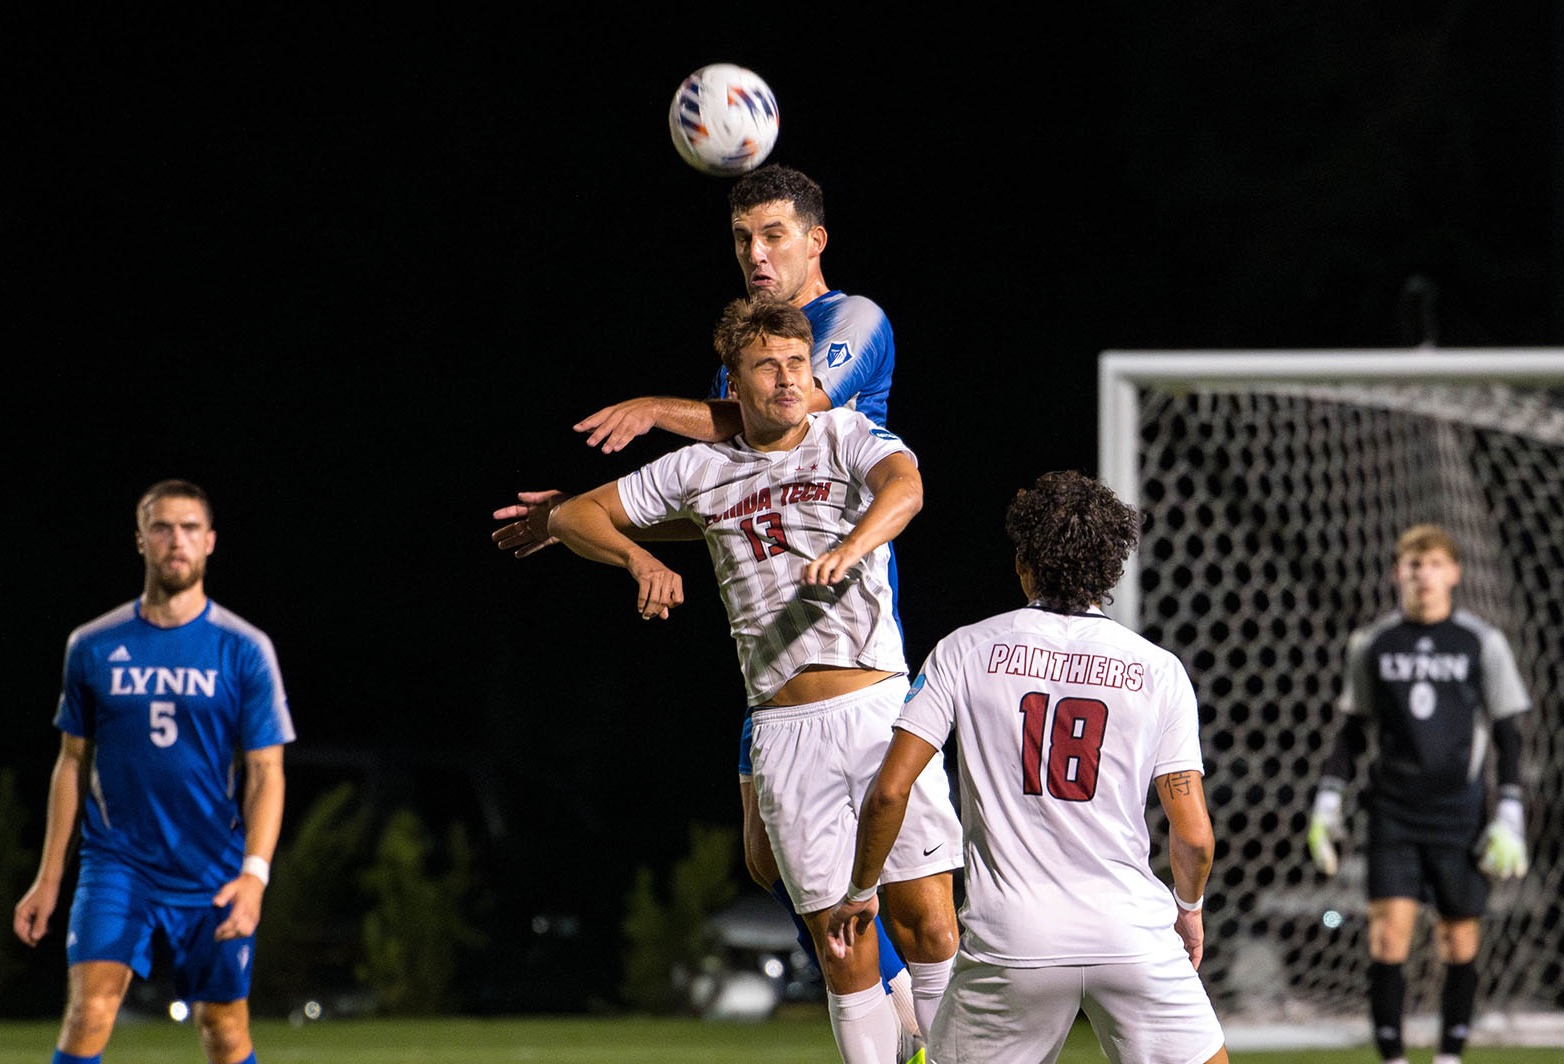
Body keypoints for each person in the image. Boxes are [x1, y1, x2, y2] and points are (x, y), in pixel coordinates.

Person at [491, 163, 924, 1044]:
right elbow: (729, 506)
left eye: (774, 236)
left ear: (815, 241)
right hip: (769, 638)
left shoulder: (852, 323)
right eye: (741, 239)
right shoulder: (736, 369)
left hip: (844, 628)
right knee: (767, 859)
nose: (756, 254)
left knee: (904, 895)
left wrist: (657, 409)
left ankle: (917, 1019)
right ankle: (900, 1011)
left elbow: (792, 412)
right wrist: (591, 520)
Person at [542, 296, 960, 1064]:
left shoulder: (845, 434)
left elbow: (907, 487)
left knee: (930, 926)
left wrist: (854, 546)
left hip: (877, 713)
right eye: (769, 367)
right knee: (841, 946)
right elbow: (575, 517)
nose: (789, 379)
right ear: (732, 385)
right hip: (783, 730)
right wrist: (639, 559)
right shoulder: (698, 469)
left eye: (798, 363)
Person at [828, 470, 1230, 1064]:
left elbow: (890, 791)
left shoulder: (964, 650)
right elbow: (1193, 837)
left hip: (1012, 941)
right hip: (1131, 935)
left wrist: (862, 890)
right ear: (1110, 570)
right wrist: (1188, 910)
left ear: (1023, 563)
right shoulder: (1158, 670)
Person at [13, 480, 295, 1064]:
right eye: (162, 528)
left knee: (223, 1027)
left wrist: (255, 875)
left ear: (210, 542)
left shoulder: (244, 648)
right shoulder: (92, 645)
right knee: (90, 1010)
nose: (176, 541)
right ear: (140, 540)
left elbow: (267, 771)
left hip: (212, 864)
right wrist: (49, 876)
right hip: (117, 861)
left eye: (190, 528)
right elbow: (72, 761)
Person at [1304, 523, 1531, 1064]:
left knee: (1458, 942)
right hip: (1393, 812)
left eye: (1433, 564)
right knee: (1388, 937)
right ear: (1397, 573)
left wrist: (1510, 812)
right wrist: (1328, 800)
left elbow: (1508, 733)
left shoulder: (1482, 643)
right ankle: (1393, 1058)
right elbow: (1353, 731)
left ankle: (1450, 1056)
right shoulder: (1373, 643)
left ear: (1454, 573)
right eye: (1413, 565)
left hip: (1461, 814)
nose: (1423, 575)